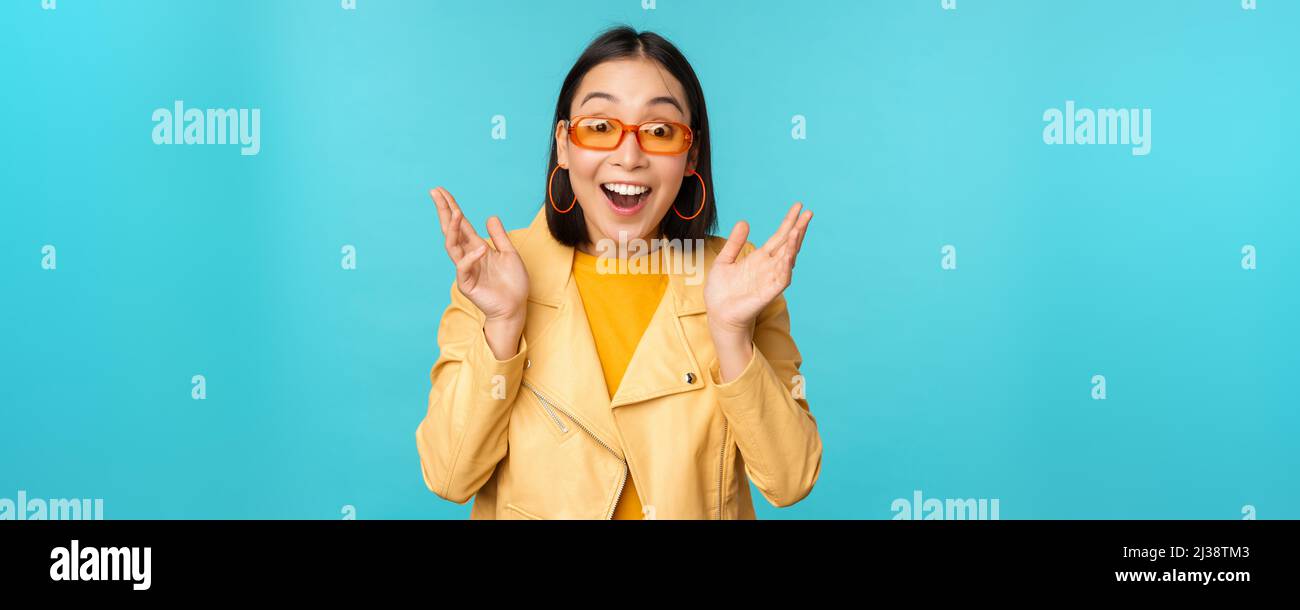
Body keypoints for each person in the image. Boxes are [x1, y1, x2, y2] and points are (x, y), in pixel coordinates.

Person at [416, 26, 820, 519]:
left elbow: (790, 479)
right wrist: (502, 326)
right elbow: (448, 475)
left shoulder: (737, 279)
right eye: (601, 126)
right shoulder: (498, 273)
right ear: (564, 144)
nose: (629, 157)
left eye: (659, 132)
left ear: (691, 156)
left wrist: (732, 337)